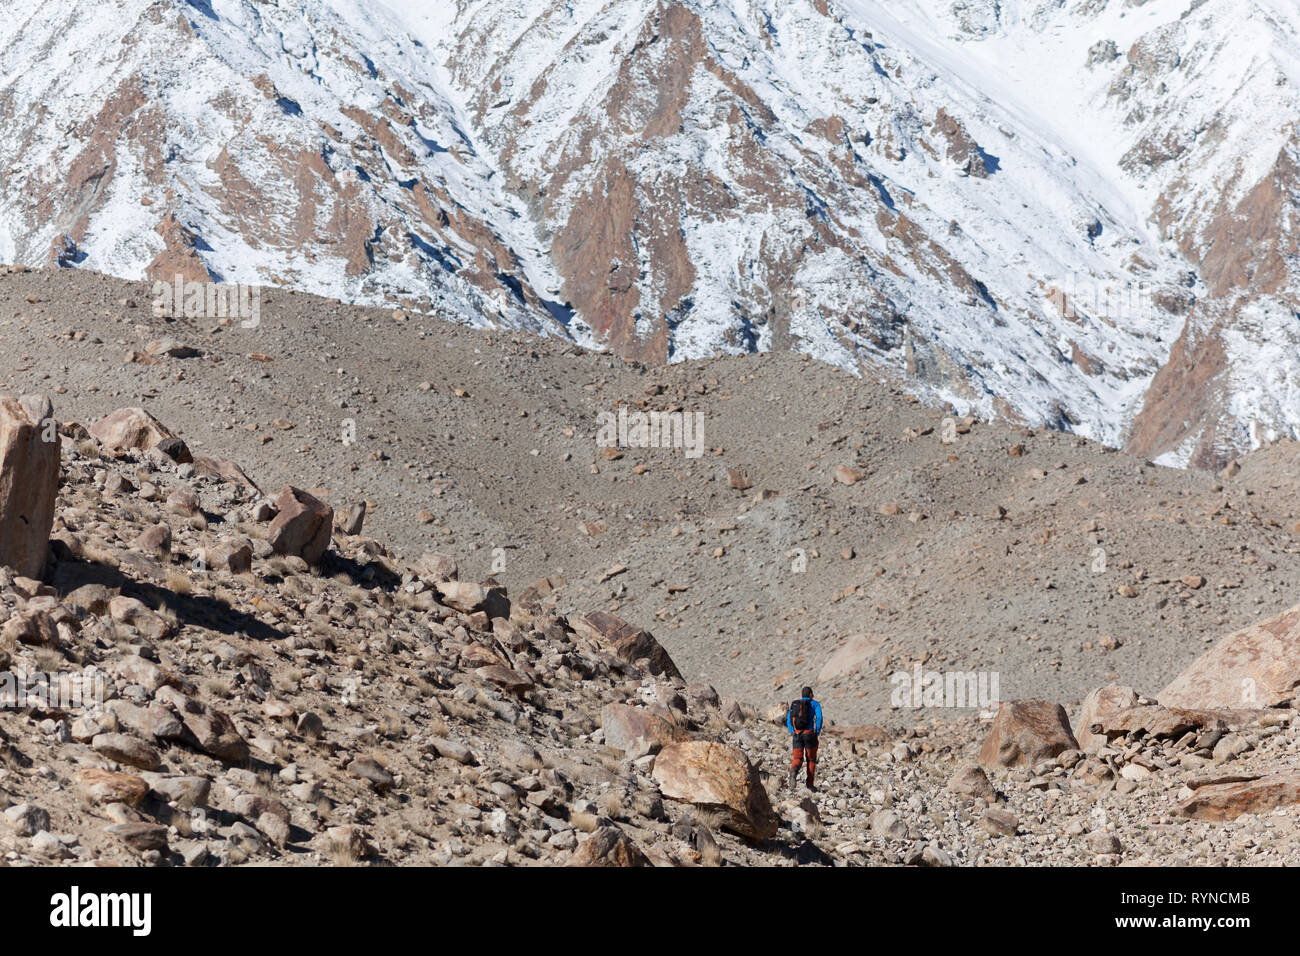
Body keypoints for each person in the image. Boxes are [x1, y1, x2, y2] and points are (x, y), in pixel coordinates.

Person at [786, 685, 823, 790]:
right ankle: (810, 785)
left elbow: (789, 720)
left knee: (797, 758)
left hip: (797, 734)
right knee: (811, 759)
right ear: (811, 694)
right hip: (809, 734)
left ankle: (793, 772)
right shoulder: (815, 704)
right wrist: (817, 731)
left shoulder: (795, 704)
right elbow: (819, 717)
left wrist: (792, 732)